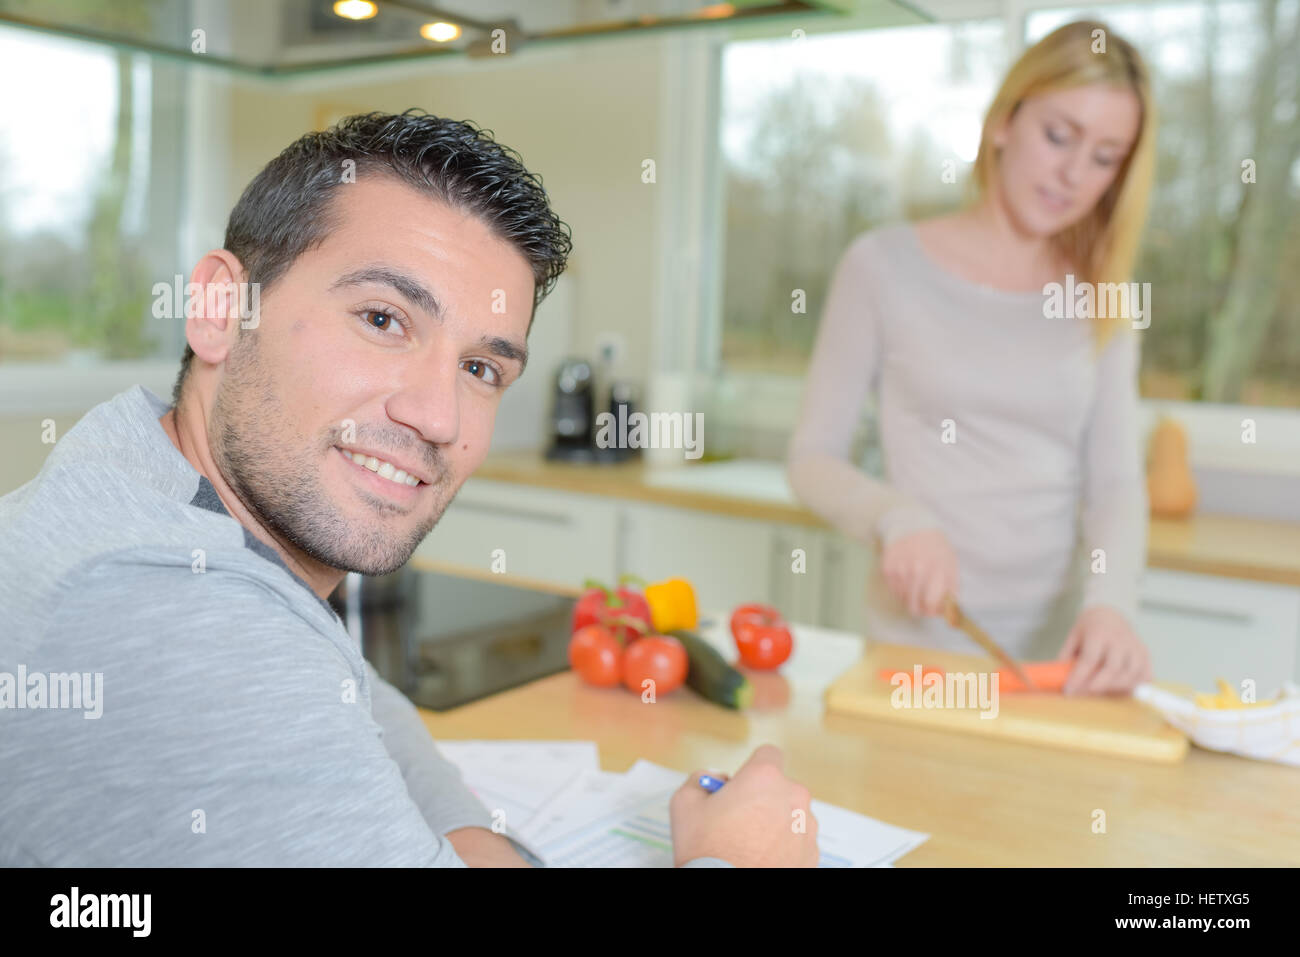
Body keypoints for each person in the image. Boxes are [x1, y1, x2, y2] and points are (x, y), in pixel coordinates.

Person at [0, 110, 818, 867]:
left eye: (480, 367)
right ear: (220, 307)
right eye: (384, 319)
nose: (435, 415)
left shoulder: (143, 477)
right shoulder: (172, 611)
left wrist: (460, 838)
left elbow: (355, 695)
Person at [787, 21, 1156, 694]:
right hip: (916, 648)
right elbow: (812, 458)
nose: (1075, 174)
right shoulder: (882, 266)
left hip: (1055, 657)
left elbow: (1115, 482)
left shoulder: (1105, 296)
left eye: (1106, 156)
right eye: (1059, 135)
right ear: (1004, 122)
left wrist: (1112, 603)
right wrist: (897, 515)